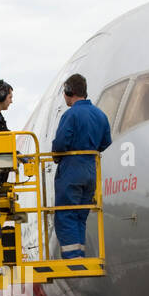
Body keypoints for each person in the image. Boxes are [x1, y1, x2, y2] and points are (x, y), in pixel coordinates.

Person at [50, 74, 111, 258]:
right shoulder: (100, 115)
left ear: (70, 91)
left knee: (66, 214)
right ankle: (79, 254)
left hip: (72, 171)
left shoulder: (71, 115)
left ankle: (72, 258)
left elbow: (60, 144)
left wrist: (56, 155)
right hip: (91, 172)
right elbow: (106, 142)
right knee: (80, 215)